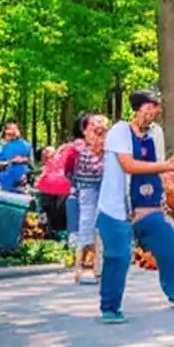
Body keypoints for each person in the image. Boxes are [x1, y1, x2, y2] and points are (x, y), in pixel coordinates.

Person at [95, 91, 174, 324]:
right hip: (116, 209)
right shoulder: (120, 131)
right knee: (119, 255)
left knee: (172, 240)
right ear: (138, 109)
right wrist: (166, 165)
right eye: (149, 107)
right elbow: (128, 165)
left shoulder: (156, 133)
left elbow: (159, 166)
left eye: (156, 108)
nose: (153, 112)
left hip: (148, 207)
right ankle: (110, 307)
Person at [64, 113, 108, 284]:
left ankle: (100, 265)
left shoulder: (109, 149)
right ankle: (85, 265)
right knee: (87, 222)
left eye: (101, 127)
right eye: (93, 126)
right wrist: (75, 185)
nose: (98, 130)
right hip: (86, 189)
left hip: (105, 188)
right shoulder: (78, 149)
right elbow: (68, 170)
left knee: (103, 225)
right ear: (85, 130)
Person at [0, 121, 33, 192]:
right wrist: (11, 161)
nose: (14, 131)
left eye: (16, 128)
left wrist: (24, 160)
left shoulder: (25, 145)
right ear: (5, 131)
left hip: (21, 183)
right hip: (1, 182)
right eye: (11, 128)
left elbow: (31, 163)